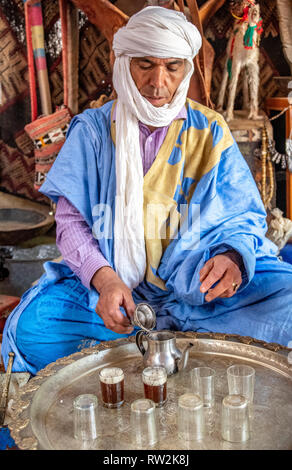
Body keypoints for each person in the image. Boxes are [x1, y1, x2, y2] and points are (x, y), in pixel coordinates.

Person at [2, 6, 292, 375]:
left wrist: (233, 258)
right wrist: (105, 280)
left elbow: (242, 216)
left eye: (172, 67)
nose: (158, 83)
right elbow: (71, 224)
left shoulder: (210, 131)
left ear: (186, 69)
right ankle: (188, 346)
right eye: (145, 65)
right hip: (120, 290)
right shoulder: (91, 131)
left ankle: (146, 344)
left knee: (286, 304)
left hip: (200, 294)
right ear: (122, 63)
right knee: (33, 327)